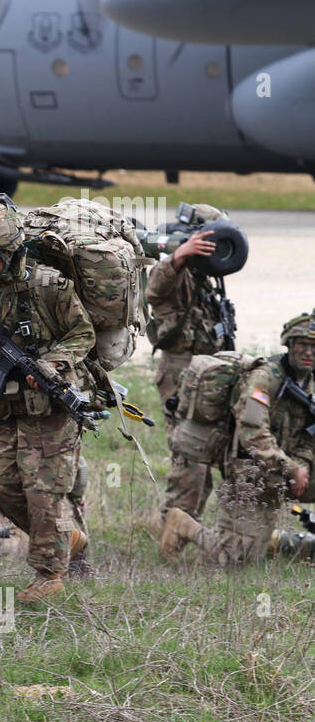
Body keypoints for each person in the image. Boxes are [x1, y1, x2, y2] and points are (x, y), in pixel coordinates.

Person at [0, 200, 96, 602]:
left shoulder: (50, 286)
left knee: (41, 488)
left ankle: (49, 574)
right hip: (2, 405)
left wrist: (50, 365)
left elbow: (82, 334)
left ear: (9, 252)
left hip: (47, 405)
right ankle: (69, 539)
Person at [162, 311, 315, 564]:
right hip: (250, 472)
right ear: (289, 345)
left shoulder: (309, 382)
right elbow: (252, 434)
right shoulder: (264, 378)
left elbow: (310, 437)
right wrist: (290, 468)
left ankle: (272, 540)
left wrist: (303, 465)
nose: (308, 353)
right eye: (303, 346)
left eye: (314, 347)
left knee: (249, 550)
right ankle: (182, 524)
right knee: (234, 562)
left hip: (282, 470)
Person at [146, 203, 233, 526]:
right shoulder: (176, 273)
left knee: (223, 456)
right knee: (191, 463)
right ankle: (174, 534)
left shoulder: (207, 281)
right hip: (182, 375)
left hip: (212, 375)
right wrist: (181, 255)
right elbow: (155, 289)